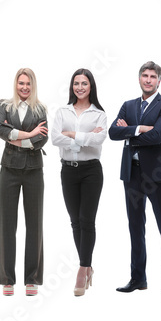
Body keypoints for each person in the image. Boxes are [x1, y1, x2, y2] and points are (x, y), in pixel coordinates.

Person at [110, 61, 161, 299]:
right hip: (132, 173)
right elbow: (112, 132)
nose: (148, 80)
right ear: (139, 78)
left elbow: (158, 136)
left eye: (152, 76)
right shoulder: (128, 105)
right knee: (135, 227)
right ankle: (138, 278)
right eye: (145, 76)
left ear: (159, 80)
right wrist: (140, 128)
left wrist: (129, 131)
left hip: (158, 176)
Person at [51, 68, 108, 296]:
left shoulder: (99, 114)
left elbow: (99, 139)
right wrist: (83, 138)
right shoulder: (62, 111)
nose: (80, 87)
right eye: (76, 83)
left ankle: (83, 269)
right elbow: (55, 138)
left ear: (91, 86)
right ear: (72, 86)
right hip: (68, 170)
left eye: (84, 83)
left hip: (91, 171)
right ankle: (87, 265)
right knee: (75, 221)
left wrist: (71, 135)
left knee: (87, 220)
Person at [0, 68, 49, 296]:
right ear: (15, 84)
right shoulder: (5, 105)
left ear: (33, 85)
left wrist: (15, 138)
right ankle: (7, 279)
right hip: (9, 169)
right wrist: (28, 134)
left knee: (34, 224)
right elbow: (0, 129)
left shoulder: (41, 109)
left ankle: (32, 279)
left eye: (28, 84)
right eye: (21, 83)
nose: (24, 87)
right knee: (7, 224)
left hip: (34, 170)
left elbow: (42, 137)